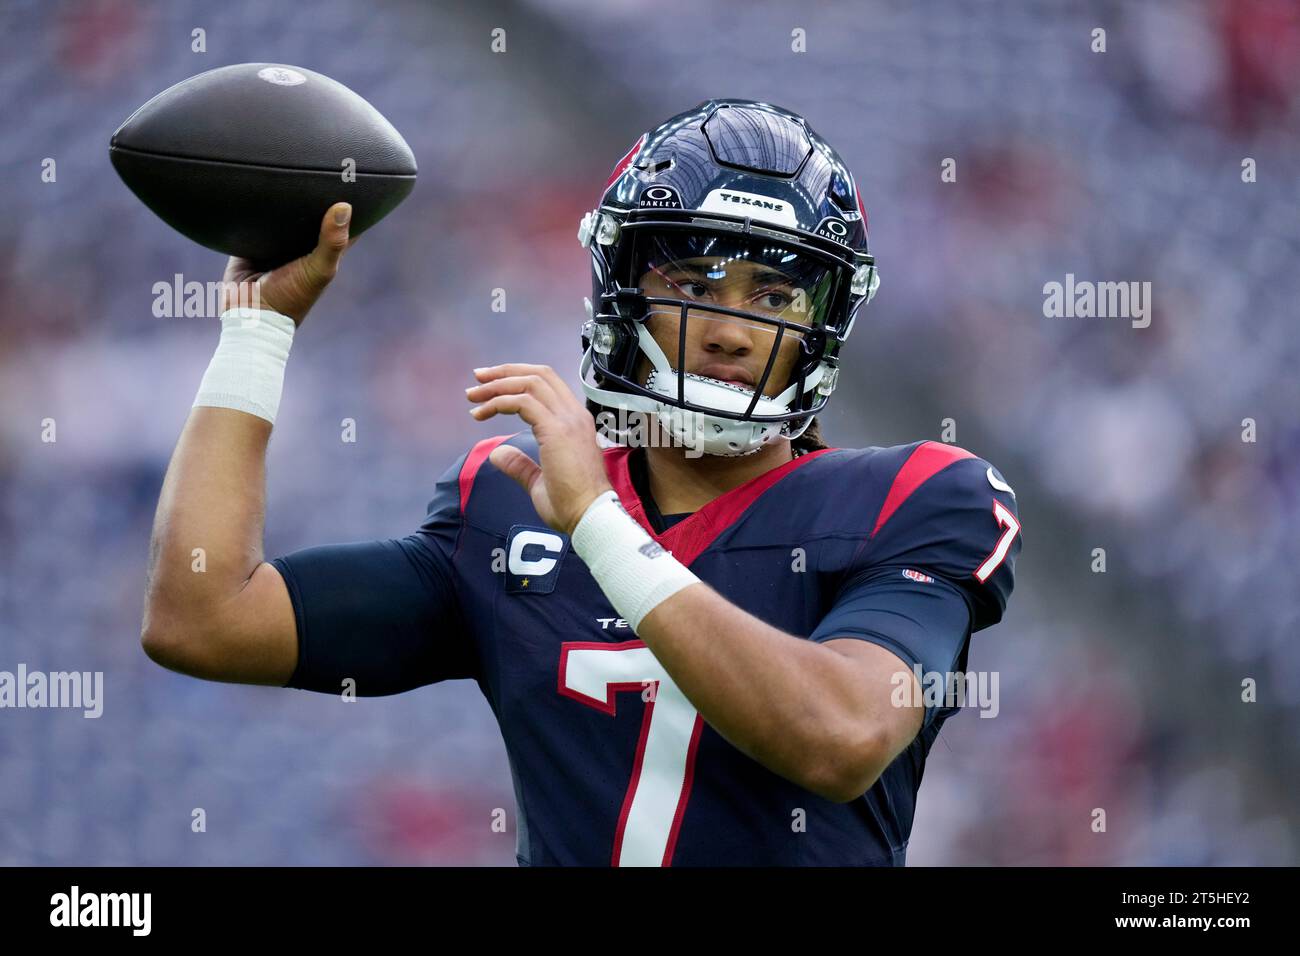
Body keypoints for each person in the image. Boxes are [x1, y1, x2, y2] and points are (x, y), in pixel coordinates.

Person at [141, 99, 1021, 866]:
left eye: (776, 297)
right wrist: (256, 338)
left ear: (822, 322)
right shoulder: (506, 504)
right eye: (695, 279)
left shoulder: (918, 498)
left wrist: (600, 526)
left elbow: (842, 736)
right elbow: (203, 618)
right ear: (620, 287)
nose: (731, 328)